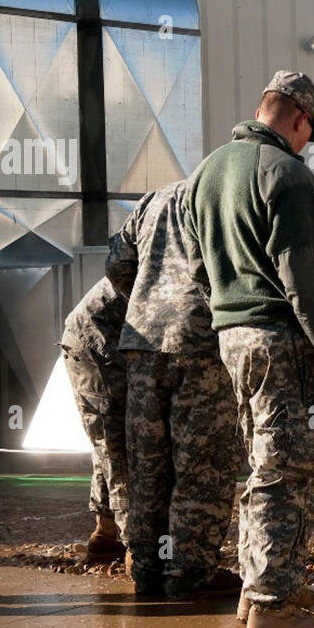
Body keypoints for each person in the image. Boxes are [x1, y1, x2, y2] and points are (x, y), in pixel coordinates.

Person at [183, 70, 314, 628]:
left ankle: (260, 587)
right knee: (287, 469)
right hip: (278, 337)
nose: (307, 146)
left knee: (262, 461)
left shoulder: (210, 170)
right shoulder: (286, 175)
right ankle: (273, 607)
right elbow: (304, 282)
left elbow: (200, 267)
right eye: (309, 134)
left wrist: (228, 317)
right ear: (299, 119)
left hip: (233, 337)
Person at [106, 180, 243, 598]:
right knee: (202, 463)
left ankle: (147, 567)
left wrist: (147, 304)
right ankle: (187, 570)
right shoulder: (223, 194)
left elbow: (116, 263)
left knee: (149, 461)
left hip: (142, 342)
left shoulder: (153, 200)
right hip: (198, 343)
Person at [59, 277, 129, 563]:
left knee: (108, 441)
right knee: (118, 443)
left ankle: (107, 533)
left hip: (95, 335)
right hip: (98, 338)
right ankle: (135, 546)